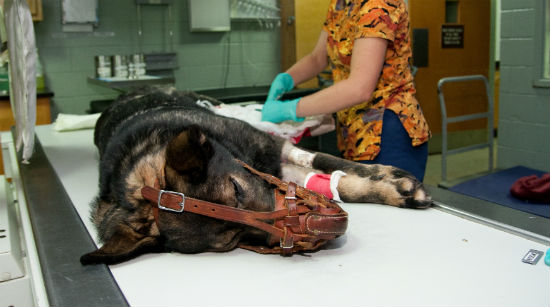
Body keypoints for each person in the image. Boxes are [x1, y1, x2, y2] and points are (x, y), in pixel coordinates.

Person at [261, 0, 431, 181]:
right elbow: (318, 57)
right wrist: (287, 78)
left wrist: (291, 109)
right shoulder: (340, 4)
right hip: (352, 133)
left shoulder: (378, 5)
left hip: (387, 133)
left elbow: (359, 88)